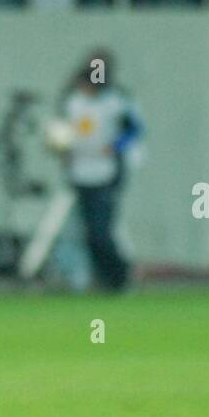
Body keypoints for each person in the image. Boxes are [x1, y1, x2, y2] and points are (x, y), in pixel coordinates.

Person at [60, 49, 143, 293]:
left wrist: (115, 147)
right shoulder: (73, 102)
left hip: (106, 173)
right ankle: (102, 279)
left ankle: (119, 276)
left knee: (101, 231)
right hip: (80, 172)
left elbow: (135, 131)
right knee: (88, 232)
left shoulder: (115, 102)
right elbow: (65, 132)